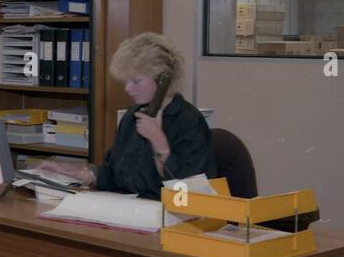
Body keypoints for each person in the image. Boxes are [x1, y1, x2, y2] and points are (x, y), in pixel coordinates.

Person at [36, 32, 217, 198]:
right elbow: (115, 175)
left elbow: (188, 195)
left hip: (171, 220)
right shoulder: (133, 116)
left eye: (136, 81)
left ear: (164, 79)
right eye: (126, 81)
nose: (127, 89)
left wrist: (159, 142)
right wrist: (78, 173)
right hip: (132, 212)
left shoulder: (189, 121)